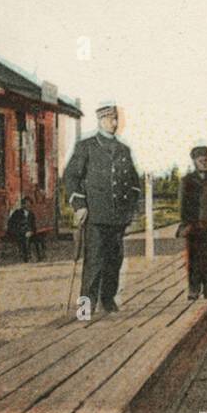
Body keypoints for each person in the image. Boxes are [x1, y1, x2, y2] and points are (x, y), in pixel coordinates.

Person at [63, 101, 142, 314]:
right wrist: (79, 205)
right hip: (95, 216)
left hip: (118, 217)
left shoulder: (124, 150)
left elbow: (135, 184)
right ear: (100, 121)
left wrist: (131, 208)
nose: (113, 123)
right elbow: (71, 177)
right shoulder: (86, 146)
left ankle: (108, 300)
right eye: (109, 119)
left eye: (116, 119)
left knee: (114, 262)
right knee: (94, 263)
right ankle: (85, 308)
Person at [177, 143, 207, 300]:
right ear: (194, 161)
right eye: (200, 160)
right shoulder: (187, 181)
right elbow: (182, 204)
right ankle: (193, 288)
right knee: (193, 259)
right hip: (193, 226)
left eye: (206, 159)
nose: (204, 162)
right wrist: (185, 224)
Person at [6, 196, 42, 262]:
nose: (28, 205)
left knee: (38, 239)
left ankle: (39, 256)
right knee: (25, 239)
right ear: (23, 205)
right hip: (18, 233)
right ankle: (26, 257)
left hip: (29, 233)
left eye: (30, 204)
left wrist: (31, 232)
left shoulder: (31, 214)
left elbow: (33, 226)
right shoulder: (17, 213)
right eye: (26, 204)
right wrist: (24, 232)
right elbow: (13, 226)